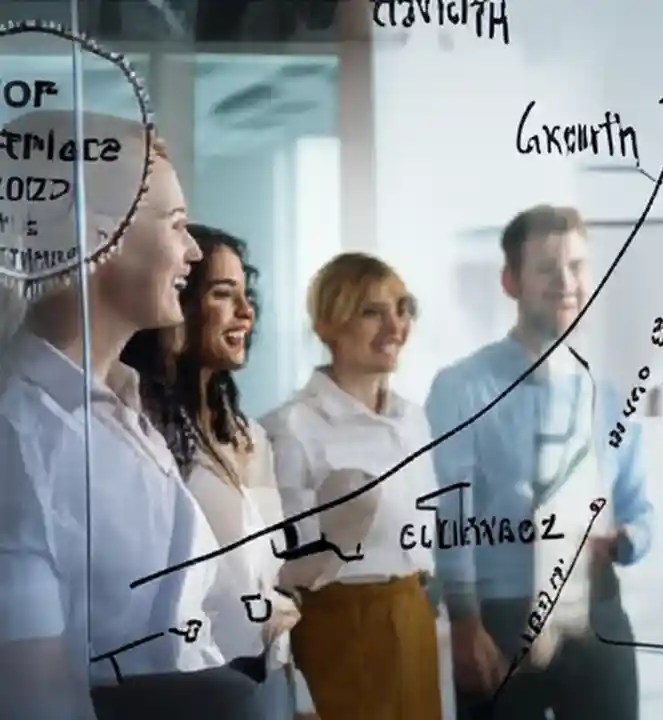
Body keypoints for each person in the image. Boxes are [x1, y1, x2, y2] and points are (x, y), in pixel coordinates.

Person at [0, 111, 261, 719]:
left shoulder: (120, 406)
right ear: (97, 236)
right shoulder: (20, 434)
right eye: (175, 224)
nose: (194, 249)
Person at [426, 204, 654, 720]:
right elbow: (449, 517)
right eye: (547, 268)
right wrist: (464, 624)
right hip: (499, 620)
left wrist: (629, 539)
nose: (566, 282)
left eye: (576, 266)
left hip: (598, 617)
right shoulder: (461, 388)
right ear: (511, 281)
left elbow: (637, 505)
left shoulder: (609, 393)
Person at [119, 224, 308, 719]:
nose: (246, 313)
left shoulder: (249, 435)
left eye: (248, 296)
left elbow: (269, 576)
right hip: (185, 691)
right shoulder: (137, 431)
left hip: (266, 680)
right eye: (224, 294)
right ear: (177, 301)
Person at [260, 251, 443, 720]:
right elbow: (283, 572)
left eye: (403, 309)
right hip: (340, 630)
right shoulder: (291, 429)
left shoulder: (413, 419)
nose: (395, 326)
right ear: (327, 325)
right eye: (372, 312)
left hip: (414, 616)